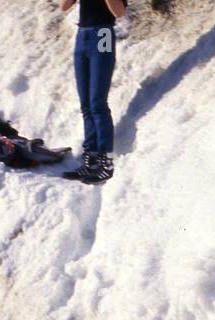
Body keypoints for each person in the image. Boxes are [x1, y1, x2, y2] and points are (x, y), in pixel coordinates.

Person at [61, 0, 126, 184]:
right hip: (82, 35)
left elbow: (119, 12)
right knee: (86, 104)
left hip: (103, 33)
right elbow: (64, 6)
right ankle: (91, 157)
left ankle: (105, 161)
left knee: (97, 102)